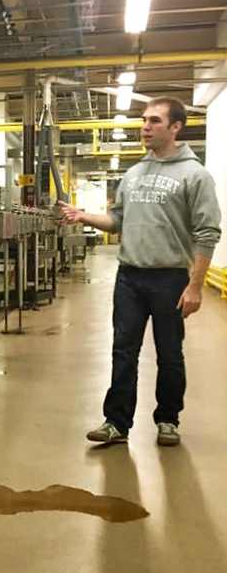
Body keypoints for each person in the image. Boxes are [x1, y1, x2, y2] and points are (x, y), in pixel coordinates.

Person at [59, 96, 221, 447]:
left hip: (170, 278)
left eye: (154, 121)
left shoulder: (195, 175)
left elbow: (207, 232)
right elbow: (118, 220)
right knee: (123, 351)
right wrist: (83, 215)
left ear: (176, 127)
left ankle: (167, 419)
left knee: (170, 354)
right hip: (130, 276)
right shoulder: (133, 175)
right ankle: (116, 422)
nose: (145, 127)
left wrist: (194, 286)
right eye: (144, 120)